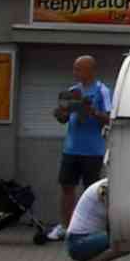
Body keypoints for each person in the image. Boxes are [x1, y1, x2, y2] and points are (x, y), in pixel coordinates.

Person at [49, 54, 112, 241]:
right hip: (71, 149)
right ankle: (65, 227)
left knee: (91, 191)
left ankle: (90, 229)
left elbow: (109, 118)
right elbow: (64, 118)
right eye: (74, 68)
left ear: (90, 70)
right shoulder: (72, 91)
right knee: (67, 187)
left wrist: (92, 111)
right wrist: (60, 114)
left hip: (93, 150)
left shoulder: (102, 90)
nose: (74, 72)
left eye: (78, 69)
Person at [64, 177, 126, 261]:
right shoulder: (104, 187)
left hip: (83, 240)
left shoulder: (112, 185)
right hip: (78, 242)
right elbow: (112, 217)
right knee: (128, 240)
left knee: (126, 238)